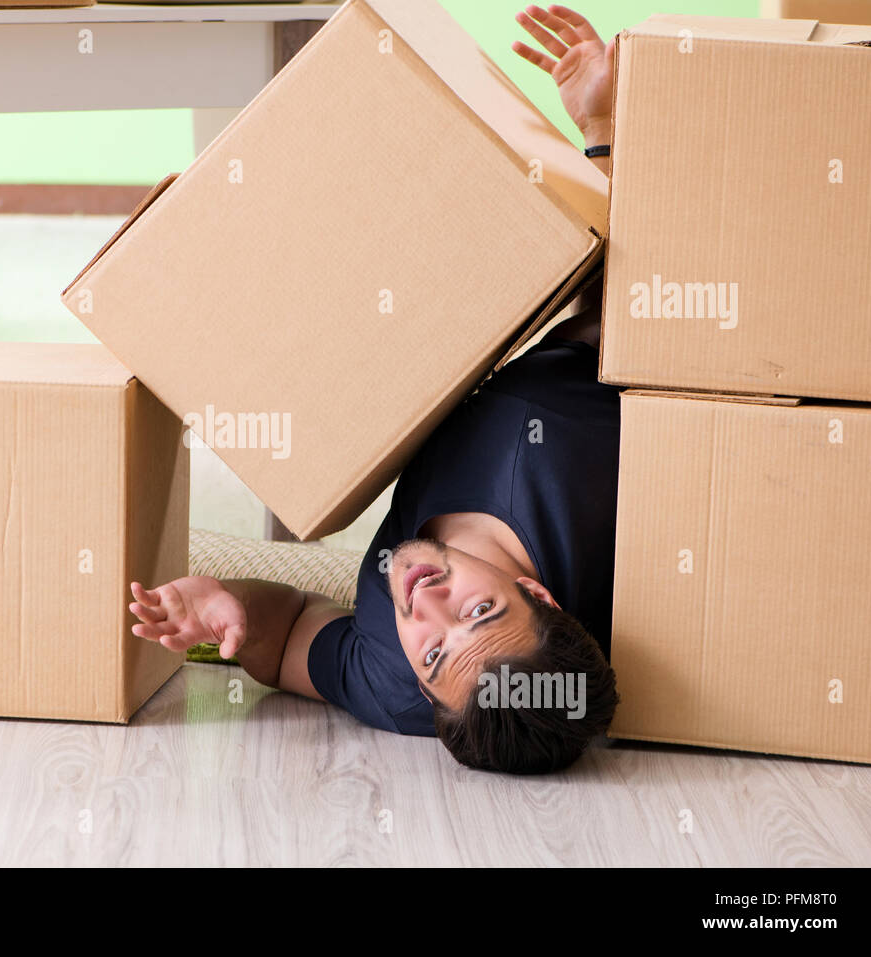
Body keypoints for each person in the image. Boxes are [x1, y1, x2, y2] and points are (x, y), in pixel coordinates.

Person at [129, 6, 621, 774]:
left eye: (433, 651)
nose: (425, 603)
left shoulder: (398, 687)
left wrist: (228, 609)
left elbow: (290, 631)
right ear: (541, 595)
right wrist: (603, 131)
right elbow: (635, 315)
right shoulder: (600, 493)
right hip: (572, 326)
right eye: (480, 611)